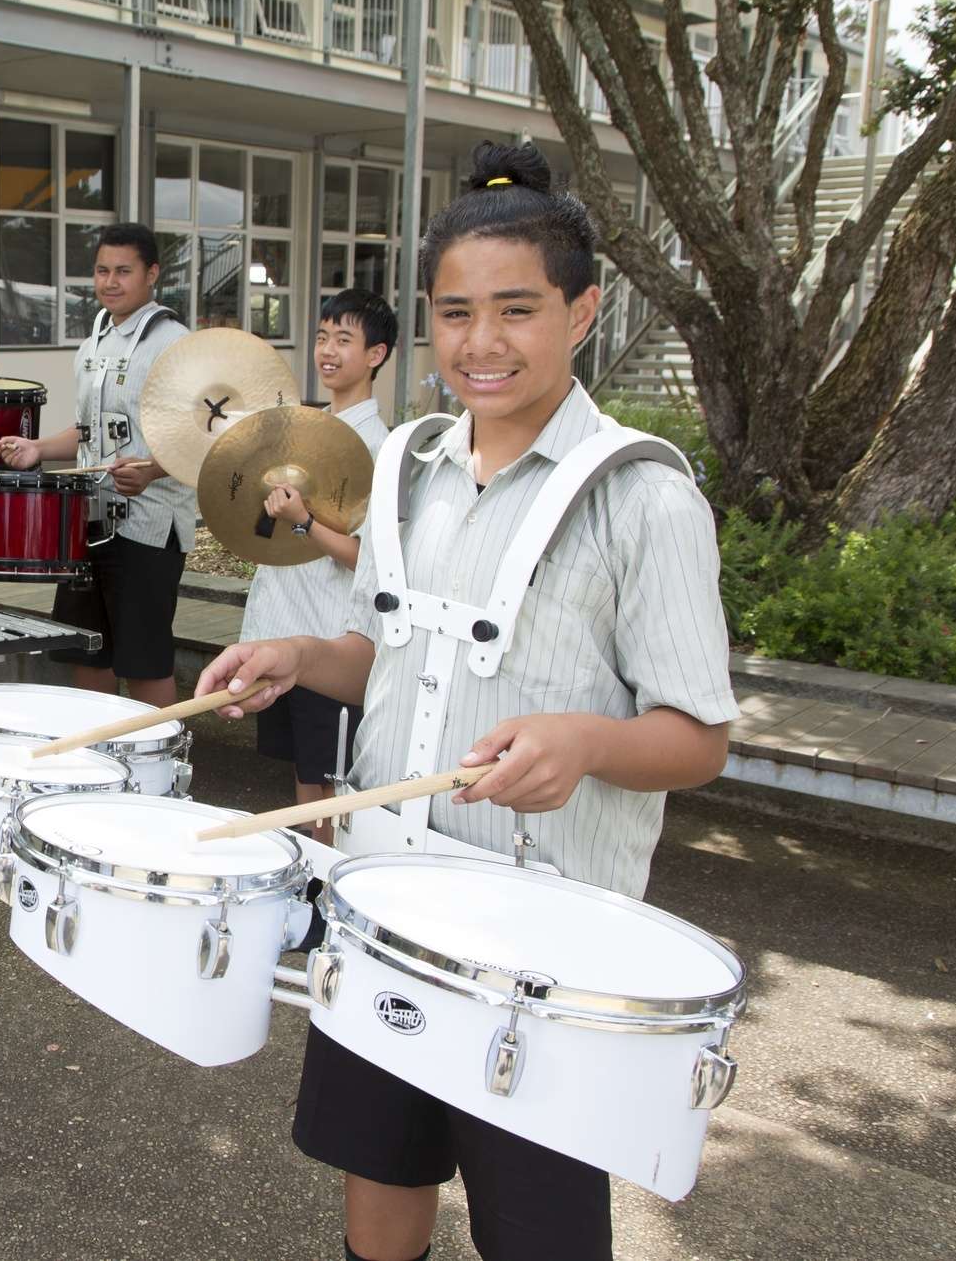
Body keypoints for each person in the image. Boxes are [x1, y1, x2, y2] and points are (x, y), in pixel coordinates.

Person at [198, 140, 737, 1261]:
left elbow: (697, 738)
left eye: (516, 310)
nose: (480, 344)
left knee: (536, 1224)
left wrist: (587, 741)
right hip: (388, 893)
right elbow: (383, 653)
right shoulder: (405, 470)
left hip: (545, 938)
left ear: (582, 311)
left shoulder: (647, 497)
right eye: (454, 313)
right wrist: (300, 655)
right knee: (381, 1172)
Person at [0, 223, 193, 709]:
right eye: (102, 270)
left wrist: (152, 471)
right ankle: (102, 758)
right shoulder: (93, 344)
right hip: (88, 522)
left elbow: (202, 436)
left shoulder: (176, 344)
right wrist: (37, 448)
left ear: (152, 275)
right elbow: (85, 432)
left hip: (148, 526)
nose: (110, 281)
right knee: (89, 651)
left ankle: (160, 766)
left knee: (144, 661)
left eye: (124, 271)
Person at [240, 289, 395, 824]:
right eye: (323, 337)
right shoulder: (307, 429)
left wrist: (305, 522)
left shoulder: (380, 448)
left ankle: (326, 894)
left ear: (375, 355)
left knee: (325, 787)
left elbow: (373, 563)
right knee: (302, 778)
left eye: (344, 340)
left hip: (331, 640)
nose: (327, 350)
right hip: (283, 623)